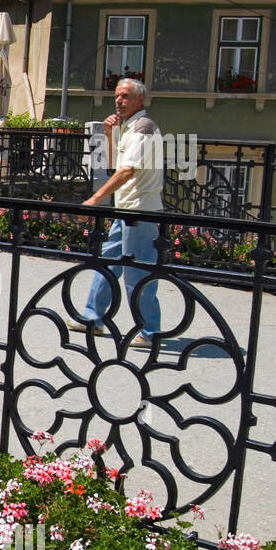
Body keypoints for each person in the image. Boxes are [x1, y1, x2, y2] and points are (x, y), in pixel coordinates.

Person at [68, 77, 163, 348]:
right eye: (117, 96)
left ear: (139, 100)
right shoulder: (129, 127)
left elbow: (127, 171)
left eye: (125, 96)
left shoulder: (144, 127)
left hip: (140, 211)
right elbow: (115, 164)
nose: (119, 101)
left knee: (138, 272)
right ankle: (92, 318)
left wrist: (95, 199)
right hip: (127, 209)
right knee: (109, 262)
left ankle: (151, 331)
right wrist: (110, 135)